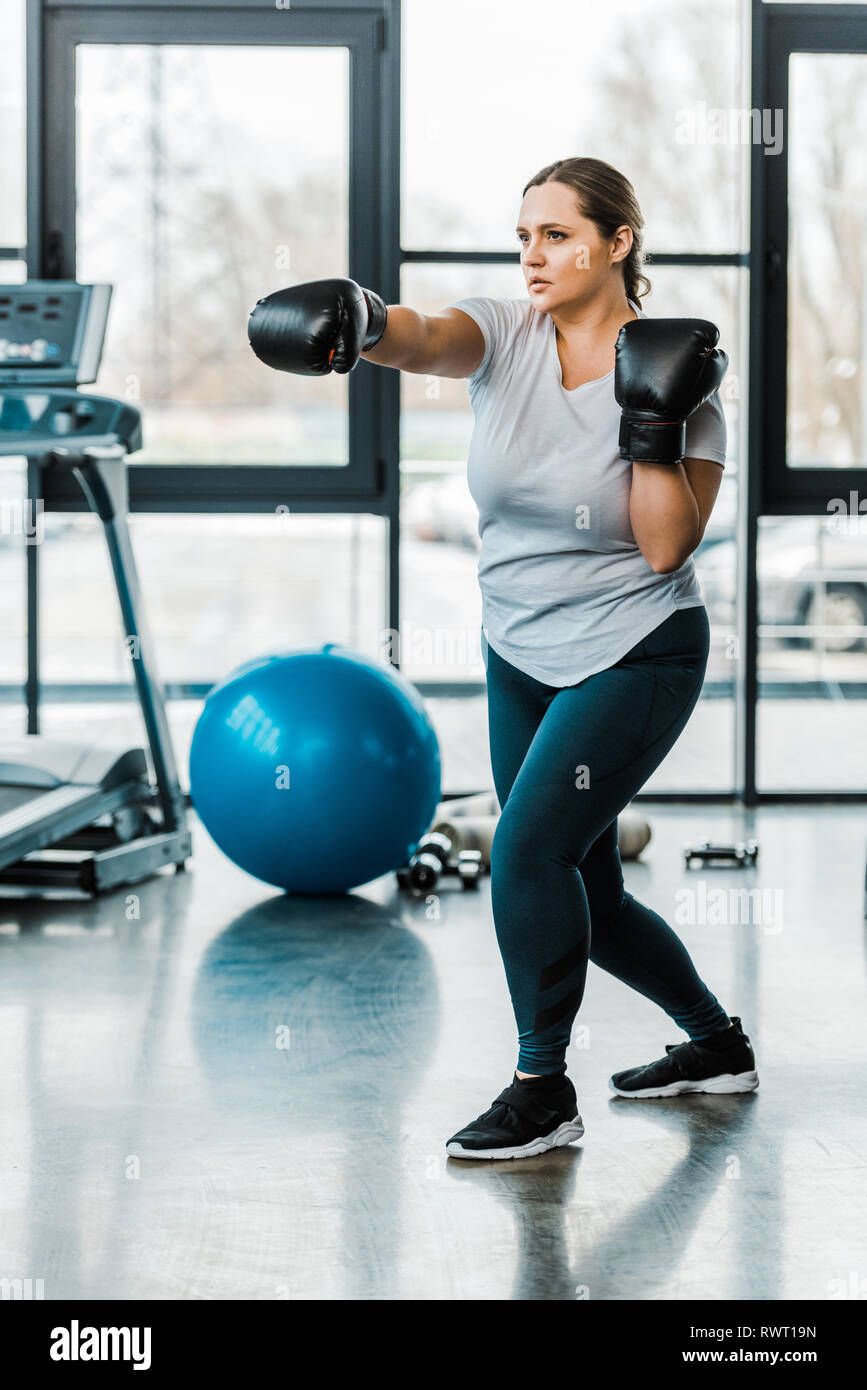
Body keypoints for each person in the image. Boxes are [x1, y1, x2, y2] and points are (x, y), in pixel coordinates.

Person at [248, 154, 760, 1164]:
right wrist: (359, 317)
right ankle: (716, 1044)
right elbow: (427, 336)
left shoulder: (678, 373)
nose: (534, 255)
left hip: (636, 650)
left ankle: (542, 1089)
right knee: (590, 890)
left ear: (617, 242)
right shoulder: (507, 330)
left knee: (527, 850)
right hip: (520, 644)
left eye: (559, 234)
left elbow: (663, 547)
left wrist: (649, 419)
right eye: (525, 233)